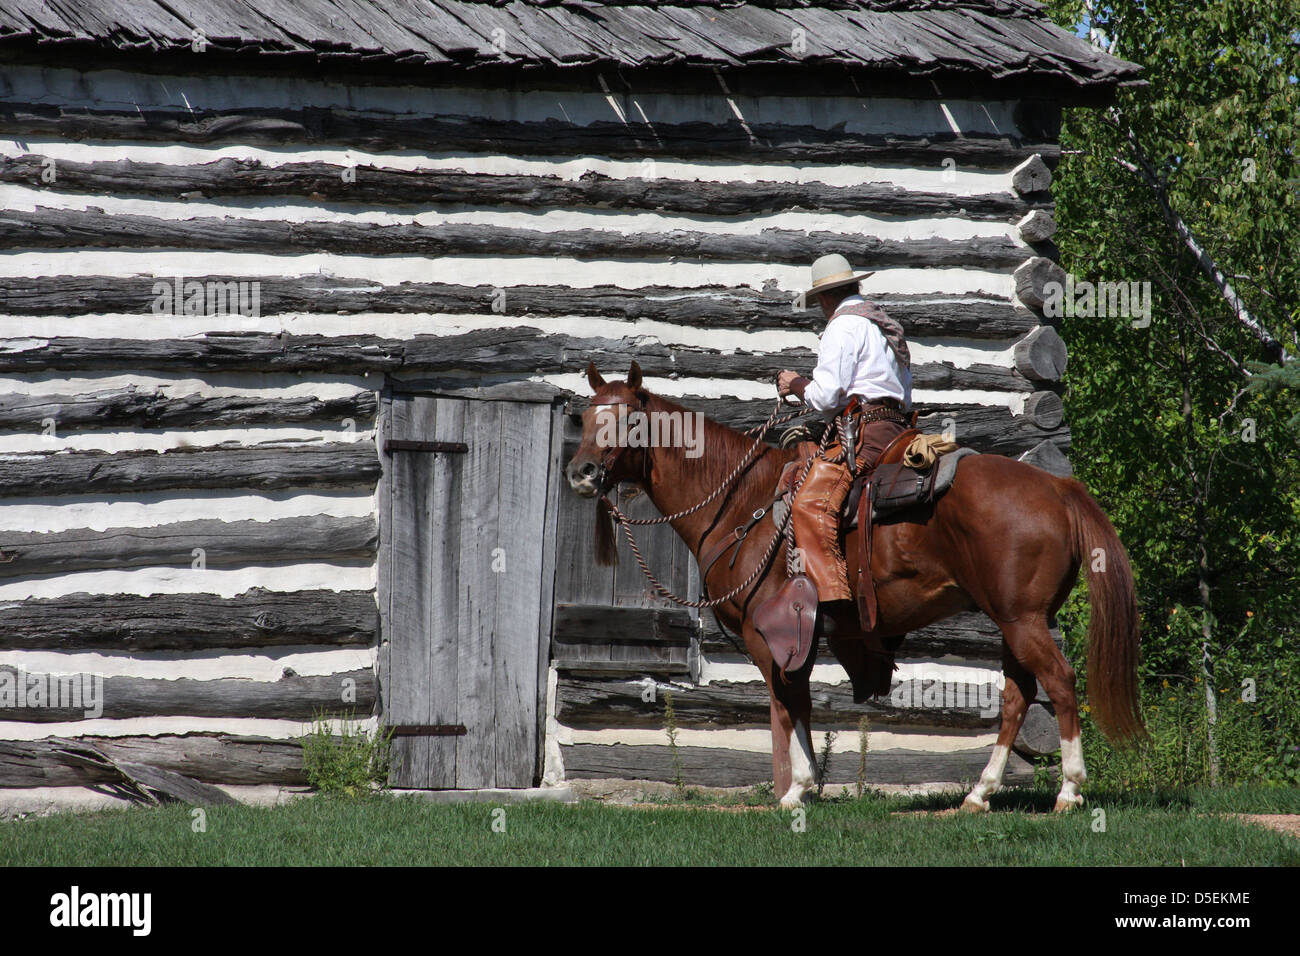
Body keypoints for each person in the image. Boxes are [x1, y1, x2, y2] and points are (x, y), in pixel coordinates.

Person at [776, 254, 913, 604]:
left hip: (868, 434)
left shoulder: (842, 326)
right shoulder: (883, 325)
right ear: (855, 286)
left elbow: (823, 398)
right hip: (901, 429)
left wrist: (795, 384)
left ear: (824, 297)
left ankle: (831, 597)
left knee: (809, 504)